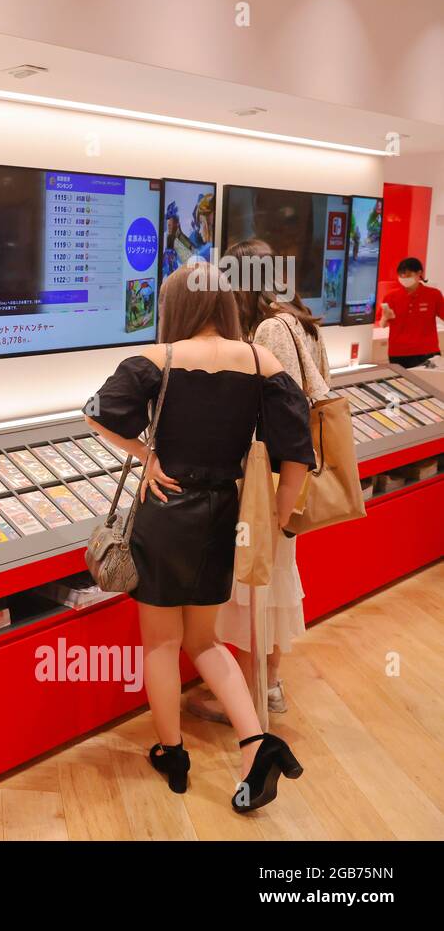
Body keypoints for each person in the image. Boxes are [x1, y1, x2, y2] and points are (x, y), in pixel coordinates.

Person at [83, 261, 314, 812]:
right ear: (227, 304)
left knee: (162, 643)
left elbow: (97, 413)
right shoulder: (262, 360)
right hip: (223, 515)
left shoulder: (156, 360)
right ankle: (256, 744)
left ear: (175, 306)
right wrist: (279, 520)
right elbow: (297, 452)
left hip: (164, 511)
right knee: (206, 641)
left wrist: (146, 456)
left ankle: (173, 753)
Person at [187, 239, 330, 724]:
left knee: (252, 582)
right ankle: (269, 684)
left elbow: (273, 410)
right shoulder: (299, 319)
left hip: (265, 478)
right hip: (289, 475)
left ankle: (246, 694)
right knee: (275, 575)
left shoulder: (268, 331)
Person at [379, 257, 443, 368]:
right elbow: (382, 324)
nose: (404, 278)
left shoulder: (434, 295)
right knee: (401, 384)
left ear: (419, 273)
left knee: (428, 384)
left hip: (427, 351)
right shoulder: (391, 297)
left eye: (408, 275)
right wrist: (385, 317)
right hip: (398, 352)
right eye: (401, 275)